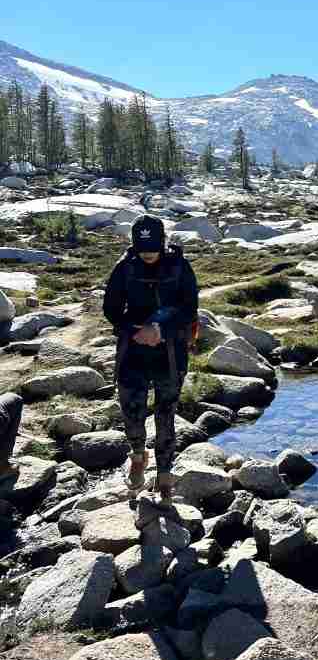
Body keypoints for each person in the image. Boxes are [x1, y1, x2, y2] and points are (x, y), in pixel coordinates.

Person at [103, 214, 198, 503]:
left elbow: (189, 307)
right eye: (143, 248)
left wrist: (159, 327)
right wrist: (135, 331)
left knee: (166, 413)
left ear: (163, 242)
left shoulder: (180, 267)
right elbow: (111, 309)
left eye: (153, 248)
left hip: (170, 353)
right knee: (132, 411)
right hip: (133, 350)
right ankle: (138, 455)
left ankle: (166, 474)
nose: (148, 254)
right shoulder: (124, 268)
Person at [0, 393, 23, 488]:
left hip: (15, 404)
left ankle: (5, 468)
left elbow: (7, 439)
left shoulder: (1, 419)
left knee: (8, 437)